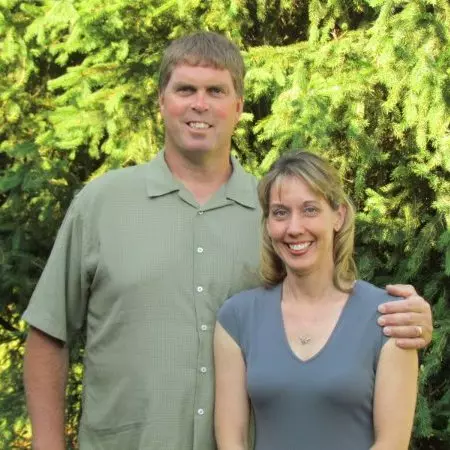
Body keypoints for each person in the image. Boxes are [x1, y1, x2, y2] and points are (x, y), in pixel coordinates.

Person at [22, 32, 431, 450]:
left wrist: (413, 322)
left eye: (216, 91)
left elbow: (332, 309)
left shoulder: (278, 216)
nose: (200, 104)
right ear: (161, 100)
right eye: (185, 89)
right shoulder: (102, 204)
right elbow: (49, 334)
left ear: (238, 107)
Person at [214, 151, 419, 450]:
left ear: (339, 216)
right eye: (280, 213)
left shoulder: (389, 318)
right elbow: (232, 441)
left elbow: (391, 443)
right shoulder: (236, 319)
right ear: (268, 224)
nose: (294, 228)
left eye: (310, 210)